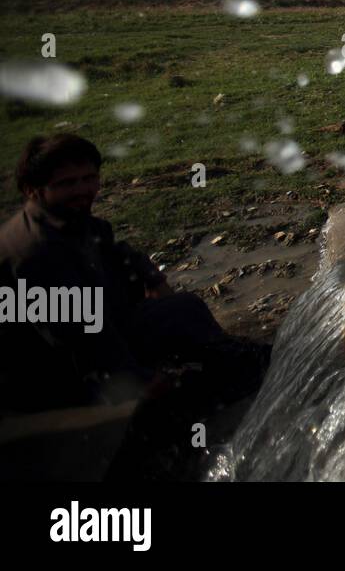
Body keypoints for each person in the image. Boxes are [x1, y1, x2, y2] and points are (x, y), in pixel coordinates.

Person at [0, 133, 270, 475]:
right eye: (67, 183)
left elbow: (116, 250)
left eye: (89, 179)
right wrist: (142, 379)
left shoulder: (66, 220)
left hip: (92, 332)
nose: (83, 190)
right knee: (186, 395)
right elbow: (82, 337)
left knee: (182, 309)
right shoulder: (35, 252)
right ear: (33, 190)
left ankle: (226, 364)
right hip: (47, 374)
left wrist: (151, 276)